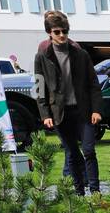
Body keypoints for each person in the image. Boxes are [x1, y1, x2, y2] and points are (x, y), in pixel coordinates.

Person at [33, 10, 101, 196]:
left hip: (83, 111)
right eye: (57, 32)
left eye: (64, 31)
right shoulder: (42, 57)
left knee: (88, 150)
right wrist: (45, 115)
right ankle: (79, 193)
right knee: (72, 154)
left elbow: (93, 84)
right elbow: (40, 89)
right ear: (49, 33)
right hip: (60, 114)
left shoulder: (81, 55)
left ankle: (95, 192)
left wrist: (96, 110)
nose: (62, 35)